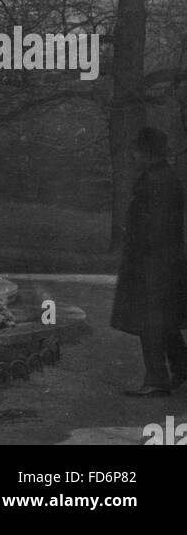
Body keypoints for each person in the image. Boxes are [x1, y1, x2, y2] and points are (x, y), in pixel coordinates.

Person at [111, 127, 187, 396]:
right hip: (162, 262)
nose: (132, 155)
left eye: (136, 150)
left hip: (154, 264)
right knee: (163, 319)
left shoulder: (157, 181)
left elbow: (155, 229)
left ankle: (156, 379)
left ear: (147, 153)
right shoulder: (161, 177)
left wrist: (135, 241)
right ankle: (181, 366)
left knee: (151, 320)